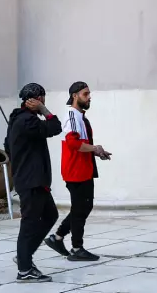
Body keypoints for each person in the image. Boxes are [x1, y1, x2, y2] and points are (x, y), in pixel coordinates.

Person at [45, 82, 111, 262]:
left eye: (89, 94)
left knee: (82, 207)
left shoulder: (81, 117)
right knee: (81, 208)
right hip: (75, 171)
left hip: (84, 169)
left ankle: (57, 238)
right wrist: (95, 148)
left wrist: (97, 152)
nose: (89, 97)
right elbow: (73, 143)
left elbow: (82, 145)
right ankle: (76, 248)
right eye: (85, 94)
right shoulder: (72, 115)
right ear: (75, 95)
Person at [3, 83, 62, 283]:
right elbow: (55, 127)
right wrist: (44, 111)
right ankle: (24, 269)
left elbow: (7, 146)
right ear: (36, 99)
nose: (44, 102)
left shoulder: (18, 120)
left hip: (32, 179)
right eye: (42, 98)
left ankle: (24, 257)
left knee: (50, 215)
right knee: (29, 225)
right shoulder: (27, 121)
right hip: (32, 181)